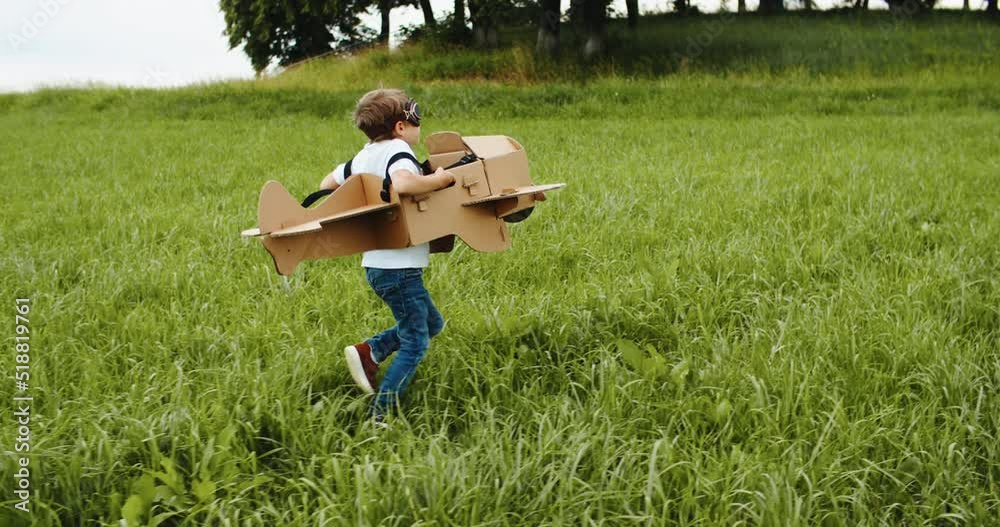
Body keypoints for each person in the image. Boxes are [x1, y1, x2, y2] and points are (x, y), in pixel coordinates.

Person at [318, 88, 455, 426]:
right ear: (400, 125)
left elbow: (326, 184)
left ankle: (371, 351)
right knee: (417, 340)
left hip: (378, 265)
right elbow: (406, 184)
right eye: (415, 116)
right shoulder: (399, 151)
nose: (418, 125)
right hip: (401, 267)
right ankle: (381, 414)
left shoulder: (365, 156)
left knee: (431, 323)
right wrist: (441, 178)